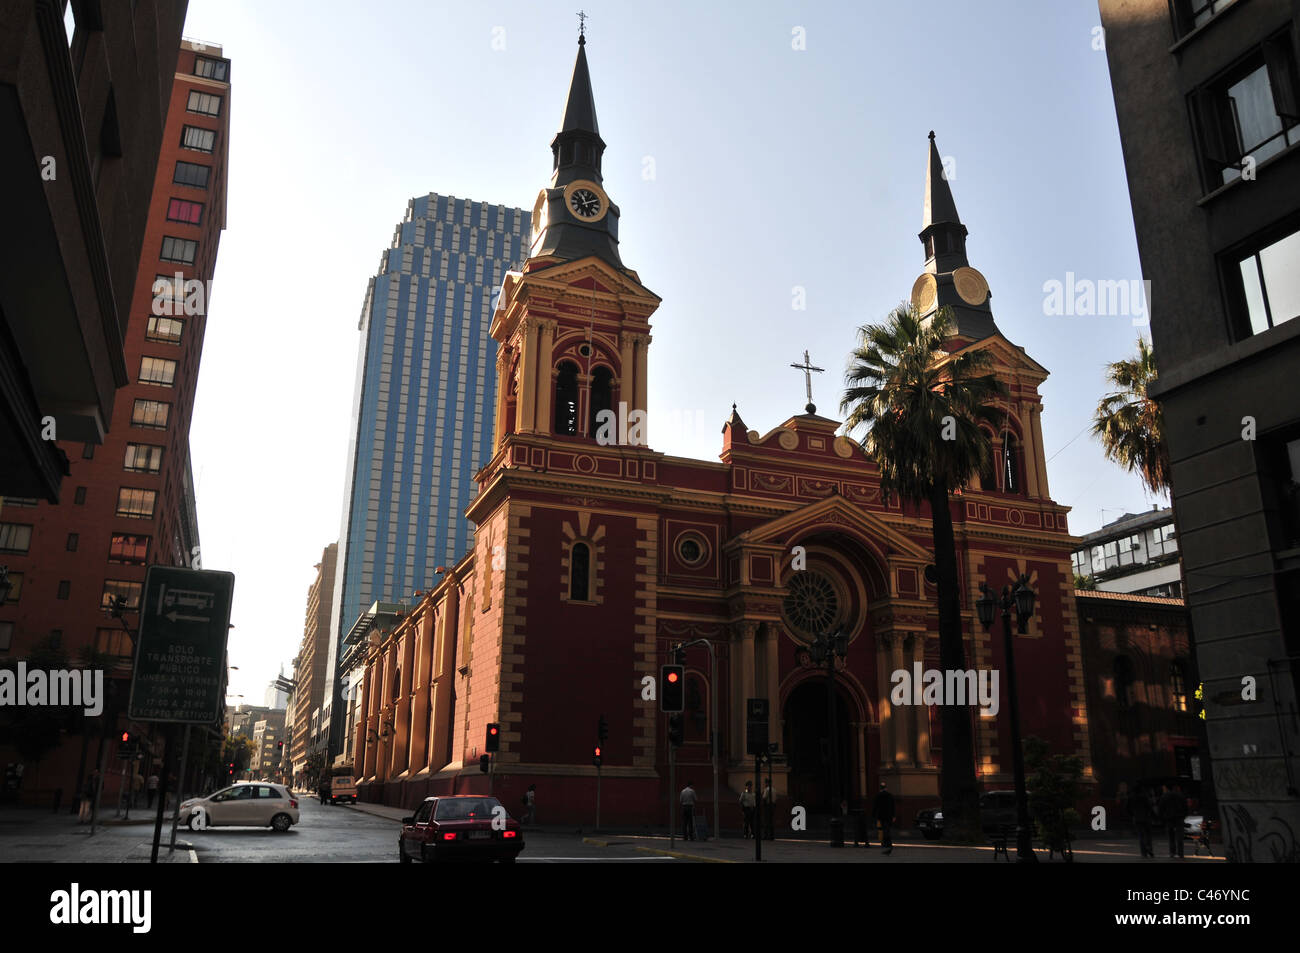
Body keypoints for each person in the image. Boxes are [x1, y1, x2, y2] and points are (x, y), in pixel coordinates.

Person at [1158, 784, 1188, 858]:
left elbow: (1161, 808)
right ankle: (1181, 853)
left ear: (1167, 788)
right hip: (1179, 818)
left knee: (1171, 836)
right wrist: (1184, 816)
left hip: (1169, 818)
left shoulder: (1164, 796)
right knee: (1179, 837)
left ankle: (1172, 852)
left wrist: (1161, 818)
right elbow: (1185, 807)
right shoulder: (1180, 796)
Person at [1127, 784, 1155, 858]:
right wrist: (1154, 816)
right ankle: (1149, 848)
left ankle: (1144, 853)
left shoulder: (1131, 798)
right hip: (1146, 818)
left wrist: (1132, 815)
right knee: (1148, 835)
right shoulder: (1144, 797)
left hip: (1137, 818)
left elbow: (1127, 808)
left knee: (1141, 836)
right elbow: (1149, 807)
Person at [872, 781, 896, 855]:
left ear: (880, 788)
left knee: (884, 829)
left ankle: (886, 844)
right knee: (887, 829)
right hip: (889, 815)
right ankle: (887, 844)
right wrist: (894, 815)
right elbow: (893, 806)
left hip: (881, 815)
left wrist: (873, 815)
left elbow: (875, 806)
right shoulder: (890, 795)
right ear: (886, 788)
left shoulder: (878, 795)